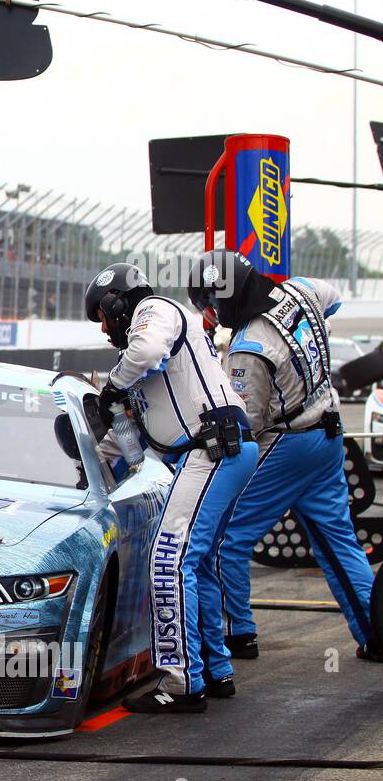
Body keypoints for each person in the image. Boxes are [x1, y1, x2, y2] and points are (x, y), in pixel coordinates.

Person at [188, 250, 381, 663]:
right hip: (329, 434)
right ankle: (375, 633)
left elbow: (247, 424)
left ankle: (237, 634)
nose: (210, 312)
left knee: (225, 540)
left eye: (210, 302)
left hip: (287, 444)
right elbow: (335, 299)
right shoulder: (302, 291)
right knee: (338, 542)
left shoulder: (247, 348)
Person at [86, 263, 258, 713]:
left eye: (103, 317)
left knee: (169, 559)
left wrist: (111, 389)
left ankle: (183, 683)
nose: (105, 329)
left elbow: (141, 352)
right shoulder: (148, 359)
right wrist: (83, 463)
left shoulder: (155, 310)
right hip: (214, 451)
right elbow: (130, 444)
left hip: (214, 449)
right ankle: (216, 671)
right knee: (194, 565)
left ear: (118, 303)